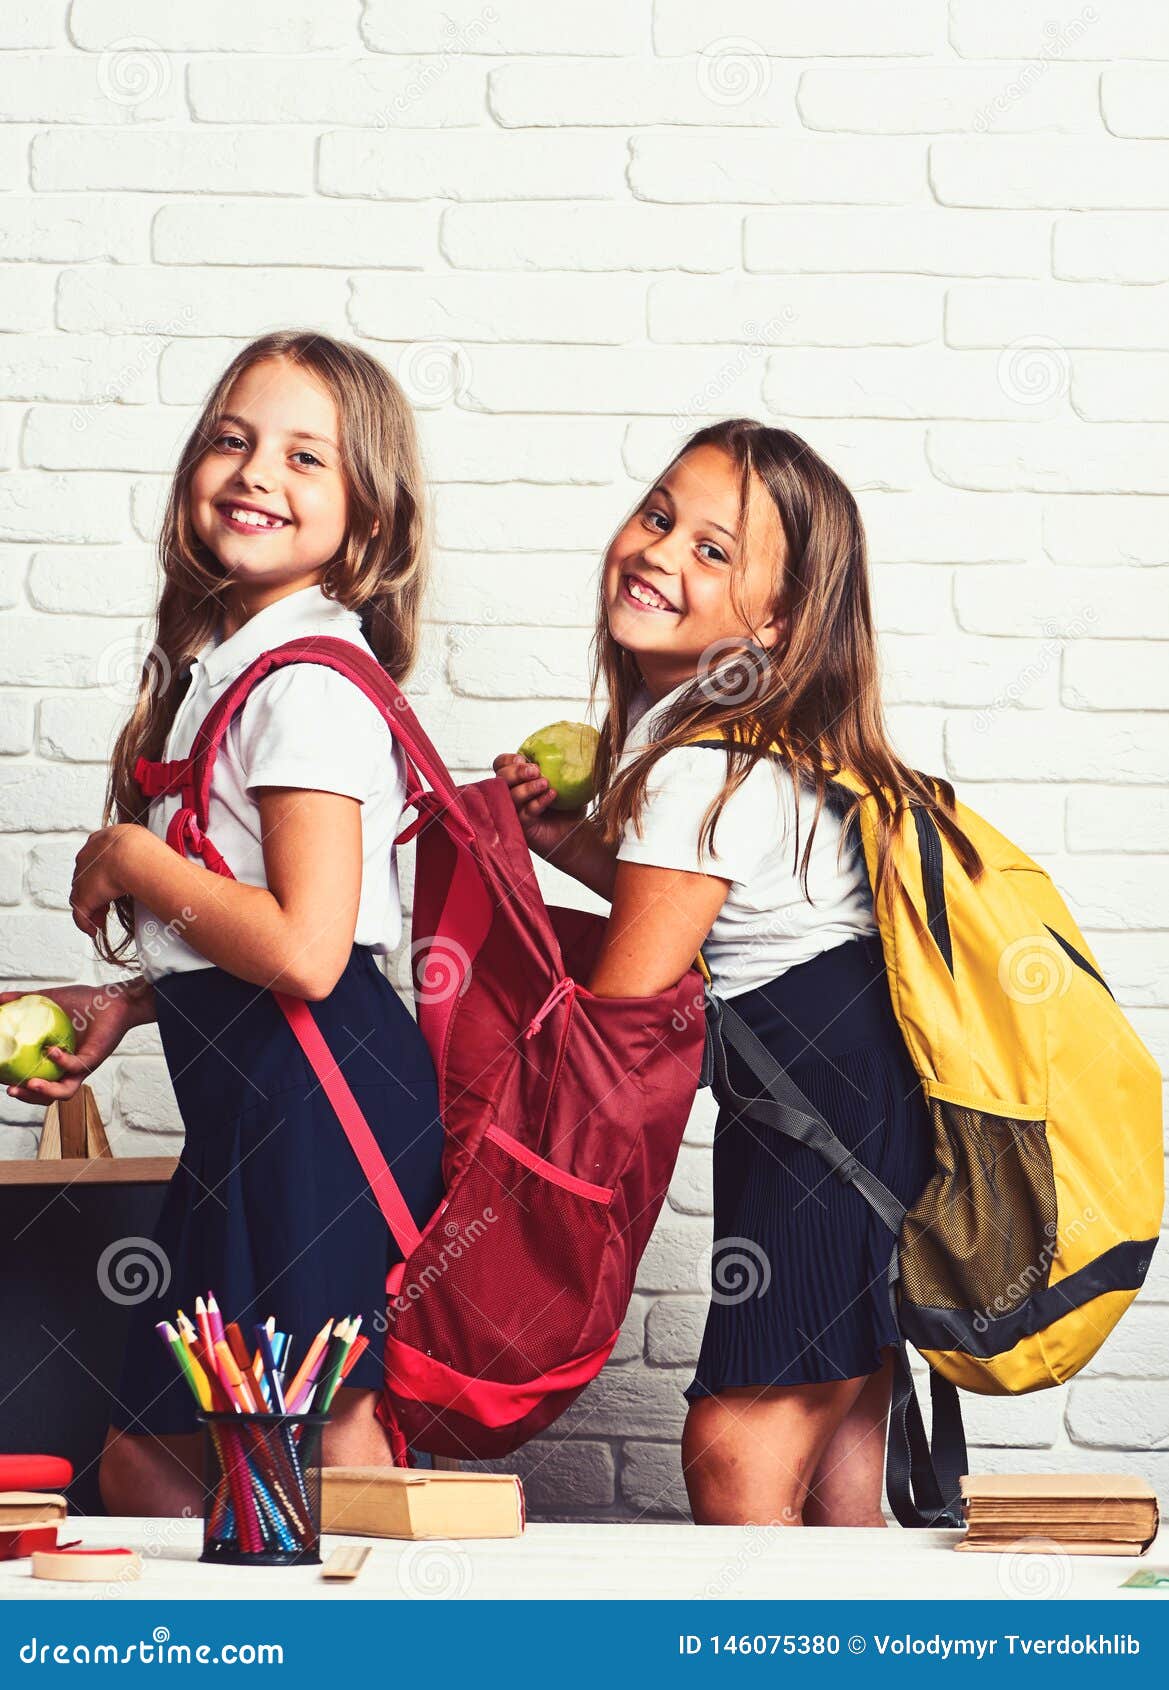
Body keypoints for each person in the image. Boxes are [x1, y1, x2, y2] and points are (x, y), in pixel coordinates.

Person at [494, 419, 984, 1528]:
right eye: (658, 515)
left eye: (712, 550)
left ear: (773, 618)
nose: (660, 551)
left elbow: (624, 1011)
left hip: (819, 1125)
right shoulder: (757, 744)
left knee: (733, 1444)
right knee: (839, 1450)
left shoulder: (699, 770)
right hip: (855, 1110)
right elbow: (703, 919)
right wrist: (569, 847)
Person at [2, 330, 445, 1515]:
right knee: (153, 1451)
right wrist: (127, 1002)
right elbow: (261, 937)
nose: (256, 472)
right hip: (248, 1120)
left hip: (319, 1117)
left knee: (324, 1426)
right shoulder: (235, 666)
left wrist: (133, 856)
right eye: (233, 440)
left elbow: (308, 949)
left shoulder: (302, 682)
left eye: (308, 457)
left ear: (366, 520)